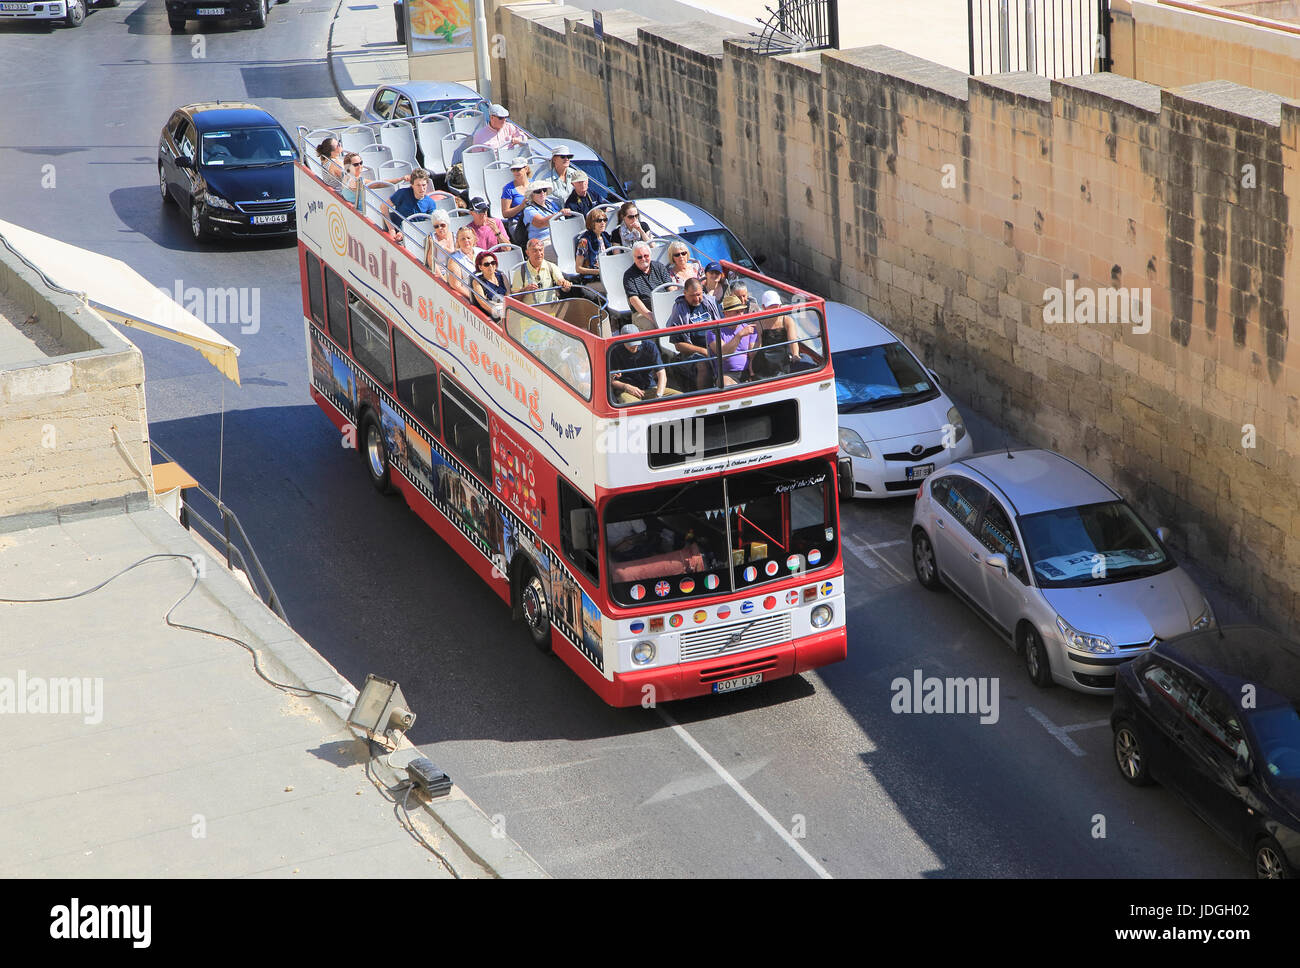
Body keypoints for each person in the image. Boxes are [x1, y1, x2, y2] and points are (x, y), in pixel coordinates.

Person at [664, 277, 722, 388]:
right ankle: (704, 398)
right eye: (692, 295)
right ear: (685, 293)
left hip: (717, 346)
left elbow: (724, 327)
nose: (696, 299)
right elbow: (679, 345)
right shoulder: (679, 311)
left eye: (699, 294)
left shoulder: (711, 303)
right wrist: (703, 351)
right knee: (703, 365)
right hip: (693, 353)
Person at [609, 324, 678, 404]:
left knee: (680, 397)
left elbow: (661, 373)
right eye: (630, 343)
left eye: (636, 342)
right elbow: (611, 380)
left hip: (650, 388)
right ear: (622, 340)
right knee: (631, 406)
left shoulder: (650, 346)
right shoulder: (614, 352)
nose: (634, 346)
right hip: (627, 392)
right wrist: (626, 387)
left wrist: (659, 396)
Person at [754, 289, 810, 374]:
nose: (775, 309)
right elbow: (758, 346)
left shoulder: (787, 320)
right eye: (771, 306)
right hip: (765, 361)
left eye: (777, 305)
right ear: (764, 307)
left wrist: (795, 355)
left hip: (784, 360)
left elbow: (793, 340)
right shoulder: (758, 323)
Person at [622, 241, 673, 326]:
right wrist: (651, 316)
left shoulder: (659, 267)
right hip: (643, 312)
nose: (643, 259)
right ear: (634, 258)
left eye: (646, 255)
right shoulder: (629, 275)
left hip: (664, 307)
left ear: (650, 255)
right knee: (651, 326)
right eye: (639, 257)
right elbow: (634, 300)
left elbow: (671, 288)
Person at [381, 168, 440, 239]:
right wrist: (391, 229)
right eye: (418, 185)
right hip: (397, 235)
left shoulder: (430, 203)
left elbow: (429, 225)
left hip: (416, 236)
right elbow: (383, 207)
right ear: (412, 185)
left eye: (424, 185)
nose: (422, 189)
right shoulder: (402, 193)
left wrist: (406, 233)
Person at [511, 238, 571, 306]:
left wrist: (564, 285)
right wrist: (525, 290)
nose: (539, 253)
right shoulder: (520, 271)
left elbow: (563, 285)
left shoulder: (551, 266)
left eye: (540, 250)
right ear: (527, 253)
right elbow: (514, 298)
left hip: (551, 310)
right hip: (530, 312)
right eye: (535, 250)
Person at [708, 310, 758, 386]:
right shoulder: (714, 331)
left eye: (742, 311)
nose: (741, 314)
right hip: (727, 374)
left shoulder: (749, 328)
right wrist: (739, 335)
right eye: (737, 312)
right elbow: (724, 354)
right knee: (725, 384)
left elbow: (753, 353)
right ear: (726, 313)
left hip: (747, 371)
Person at [522, 181, 573, 251]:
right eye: (538, 191)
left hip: (561, 237)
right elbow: (540, 223)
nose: (542, 193)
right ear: (531, 195)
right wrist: (559, 214)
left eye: (544, 190)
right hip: (543, 242)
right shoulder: (528, 210)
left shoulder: (552, 204)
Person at [574, 208, 615, 290]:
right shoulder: (584, 242)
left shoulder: (605, 236)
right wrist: (598, 271)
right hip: (591, 279)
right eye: (599, 220)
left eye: (605, 220)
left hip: (607, 274)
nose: (603, 223)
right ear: (592, 223)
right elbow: (578, 269)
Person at [471, 250, 511, 321]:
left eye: (493, 263)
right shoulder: (477, 281)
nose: (490, 266)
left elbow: (508, 293)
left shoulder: (502, 276)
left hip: (505, 307)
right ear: (480, 267)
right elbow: (483, 303)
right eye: (486, 264)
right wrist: (497, 314)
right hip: (492, 312)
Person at [446, 226, 483, 298]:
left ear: (474, 239)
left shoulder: (482, 252)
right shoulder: (454, 259)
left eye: (468, 238)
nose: (466, 241)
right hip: (470, 296)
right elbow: (456, 285)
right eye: (463, 239)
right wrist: (475, 298)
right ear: (458, 241)